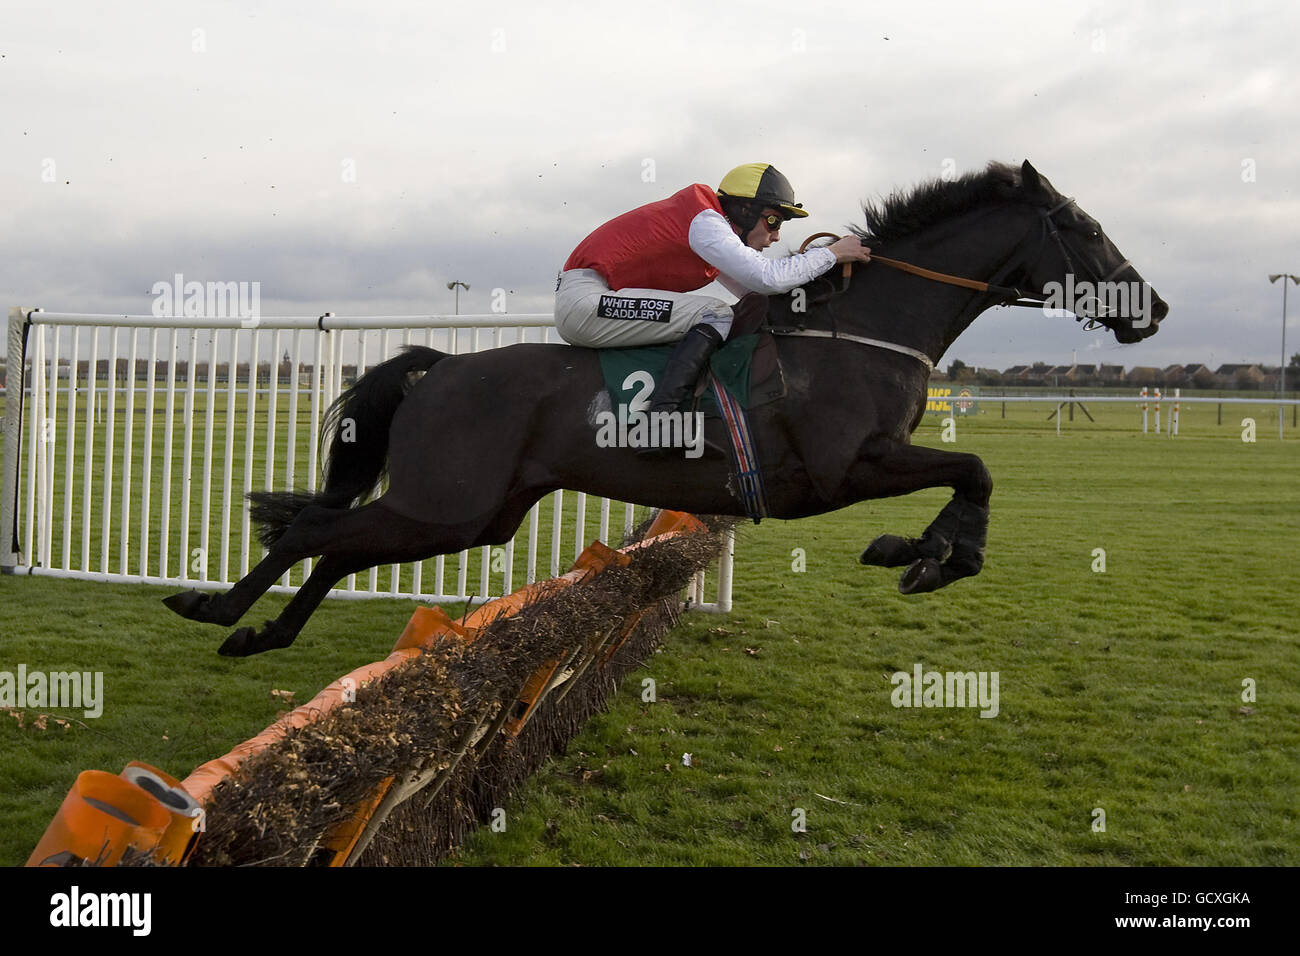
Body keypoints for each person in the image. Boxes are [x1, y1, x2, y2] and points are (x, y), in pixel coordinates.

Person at [555, 163, 872, 416]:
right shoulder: (706, 223)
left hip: (595, 301)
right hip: (585, 301)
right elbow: (768, 278)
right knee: (713, 311)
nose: (775, 236)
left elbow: (757, 294)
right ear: (744, 210)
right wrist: (831, 253)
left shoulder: (707, 234)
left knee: (719, 314)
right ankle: (662, 416)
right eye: (774, 220)